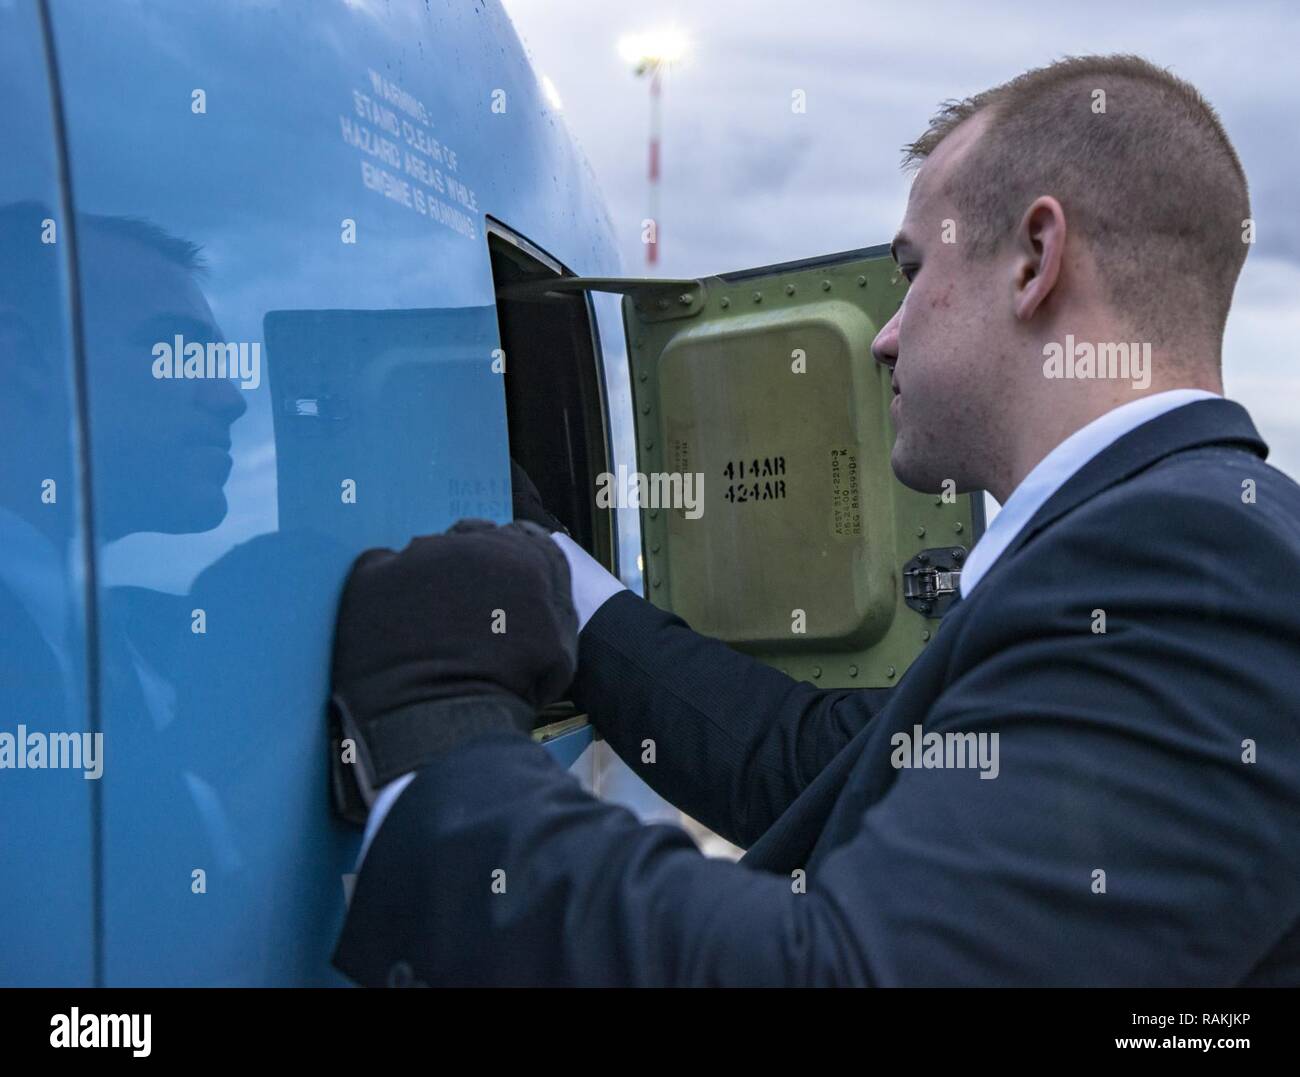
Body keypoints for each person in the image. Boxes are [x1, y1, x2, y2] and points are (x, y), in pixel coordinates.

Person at [329, 54, 1300, 986]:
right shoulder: (1177, 533)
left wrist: (438, 762)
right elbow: (823, 766)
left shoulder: (1189, 566)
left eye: (912, 269)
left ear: (1034, 260)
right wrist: (568, 589)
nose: (882, 334)